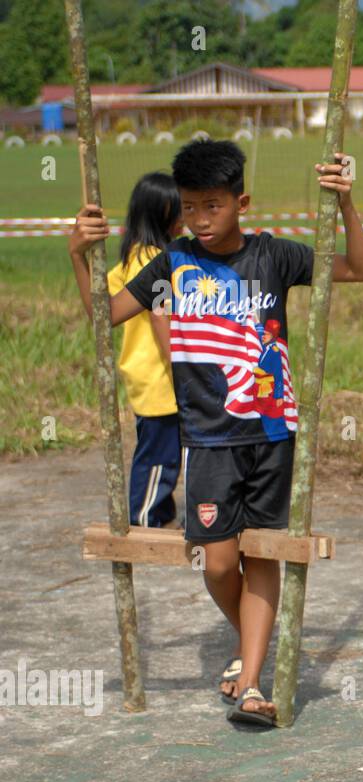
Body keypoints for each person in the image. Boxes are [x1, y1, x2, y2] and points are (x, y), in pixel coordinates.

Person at [68, 139, 363, 727]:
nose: (200, 220)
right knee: (216, 563)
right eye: (189, 207)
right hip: (207, 439)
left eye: (213, 205)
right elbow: (103, 319)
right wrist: (78, 256)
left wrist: (345, 204)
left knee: (260, 555)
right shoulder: (172, 266)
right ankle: (260, 639)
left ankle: (253, 680)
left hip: (271, 432)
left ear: (242, 201)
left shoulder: (275, 257)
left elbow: (360, 269)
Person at [107, 172, 184, 528]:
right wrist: (180, 366)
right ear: (163, 214)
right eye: (182, 211)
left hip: (143, 374)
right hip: (161, 376)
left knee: (157, 447)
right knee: (160, 455)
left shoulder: (130, 258)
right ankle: (145, 518)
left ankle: (161, 511)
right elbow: (160, 315)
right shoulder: (155, 260)